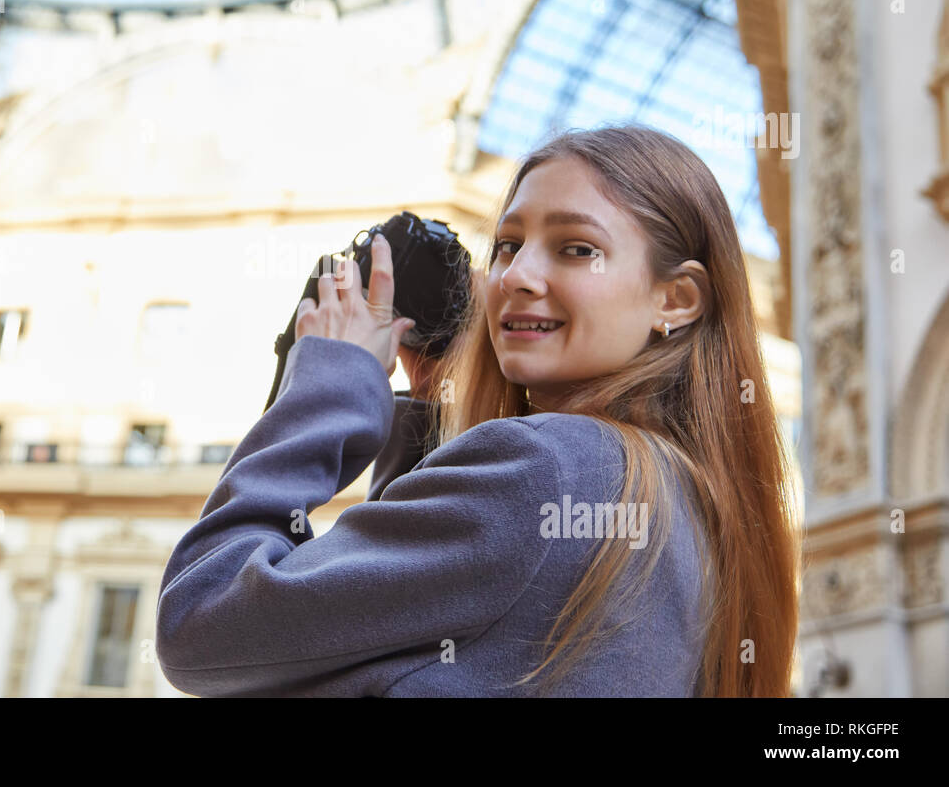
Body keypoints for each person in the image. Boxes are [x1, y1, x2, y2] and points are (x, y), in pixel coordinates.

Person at [155, 125, 801, 697]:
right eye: (508, 245)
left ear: (677, 298)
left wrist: (330, 382)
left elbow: (201, 628)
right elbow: (414, 634)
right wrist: (424, 412)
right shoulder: (687, 498)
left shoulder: (546, 467)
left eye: (576, 248)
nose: (517, 275)